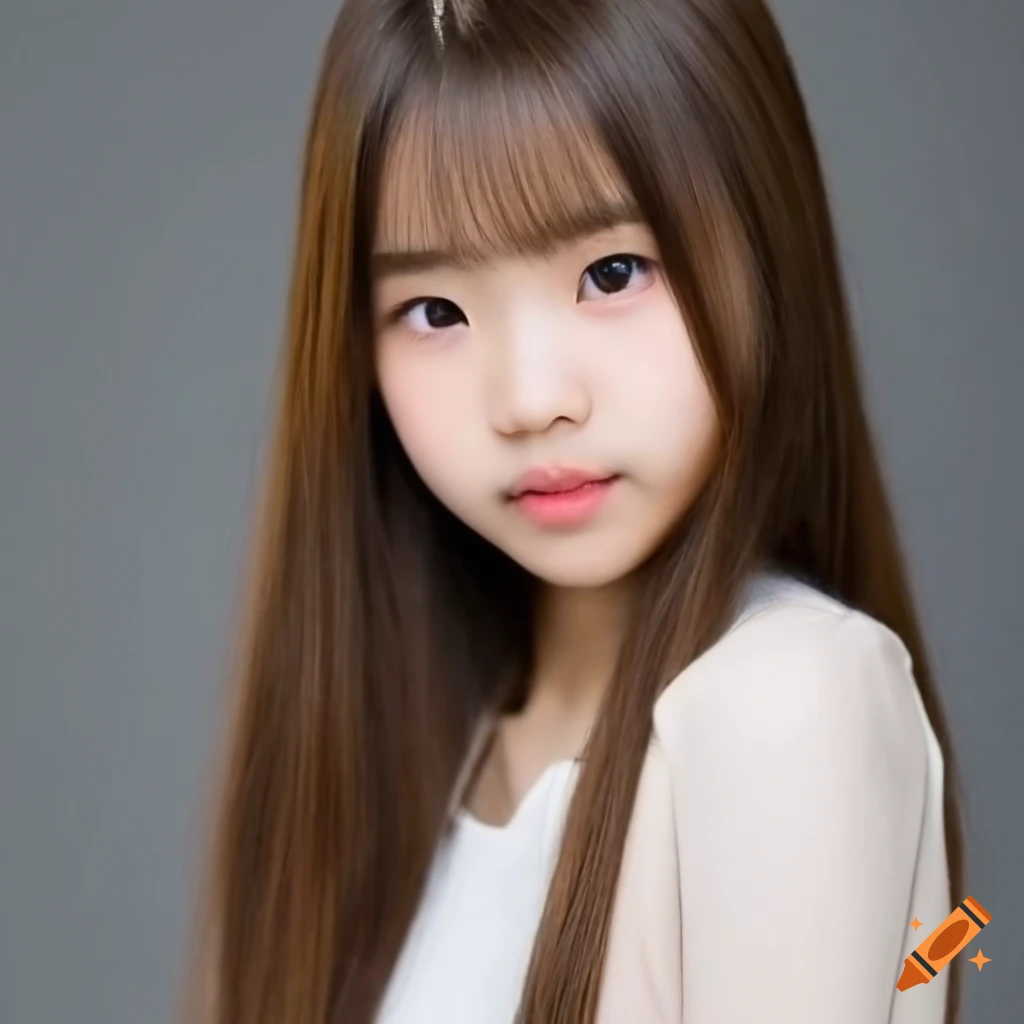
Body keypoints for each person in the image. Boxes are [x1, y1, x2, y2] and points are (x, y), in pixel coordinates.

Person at [186, 1, 966, 1022]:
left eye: (611, 272)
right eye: (436, 312)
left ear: (763, 245)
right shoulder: (404, 752)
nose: (528, 398)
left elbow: (955, 948)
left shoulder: (781, 702)